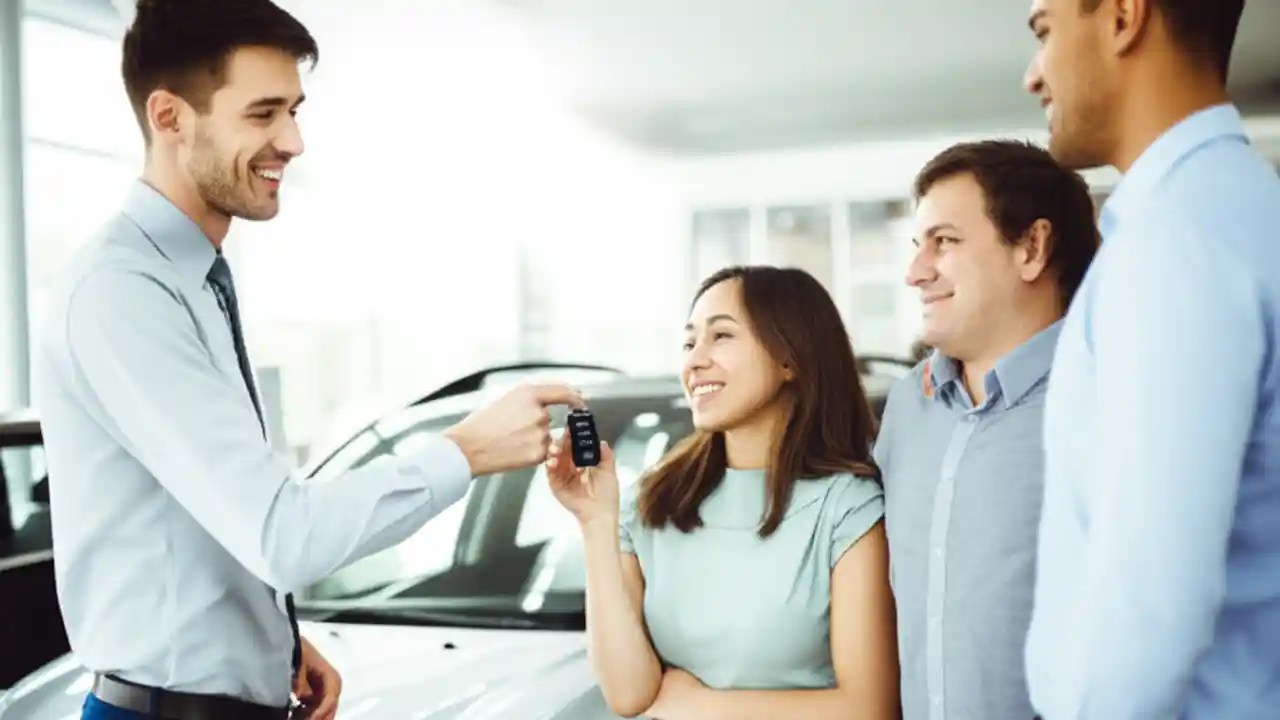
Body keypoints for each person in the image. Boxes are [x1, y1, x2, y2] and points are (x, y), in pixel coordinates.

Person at [32, 2, 584, 719]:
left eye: (293, 111)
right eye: (263, 114)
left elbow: (203, 517)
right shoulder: (124, 291)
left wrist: (271, 644)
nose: (292, 141)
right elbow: (282, 533)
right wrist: (467, 450)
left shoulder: (191, 280)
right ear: (170, 117)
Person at [1021, 0, 1280, 717]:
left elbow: (1150, 606)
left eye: (1044, 32)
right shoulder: (1243, 211)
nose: (1032, 75)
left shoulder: (1175, 242)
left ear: (1124, 16)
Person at [545, 265, 900, 720]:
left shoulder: (848, 507)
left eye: (722, 336)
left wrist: (700, 706)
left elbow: (869, 708)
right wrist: (596, 522)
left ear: (789, 359)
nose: (694, 361)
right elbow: (629, 695)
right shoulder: (652, 500)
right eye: (689, 342)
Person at [874, 139, 1099, 720]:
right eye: (917, 246)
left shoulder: (1111, 400)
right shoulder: (908, 406)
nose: (915, 272)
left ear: (1032, 247)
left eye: (944, 242)